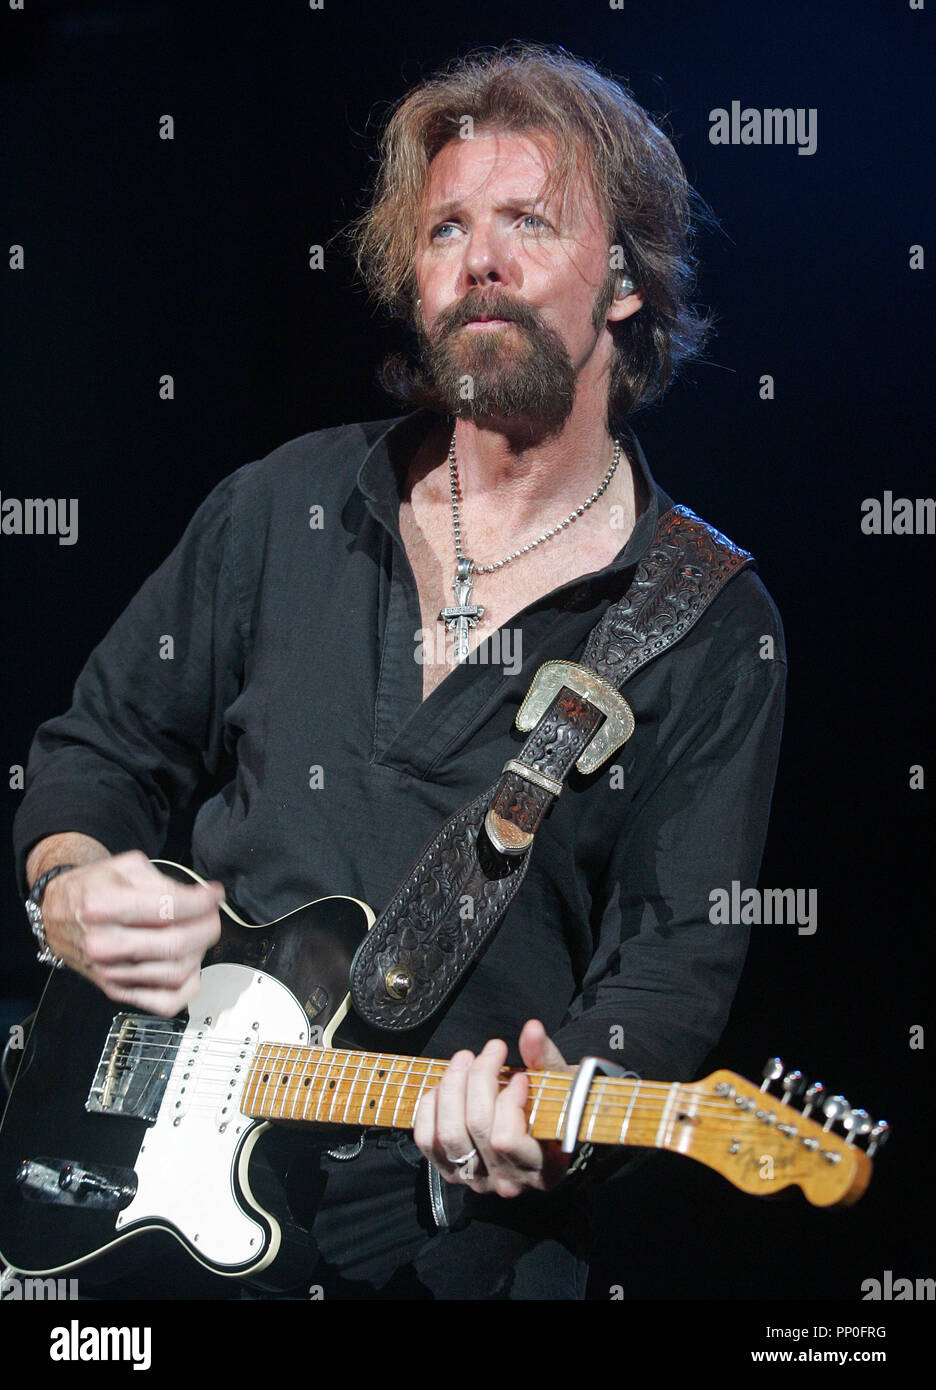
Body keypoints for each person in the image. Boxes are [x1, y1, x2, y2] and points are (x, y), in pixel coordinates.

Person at [12, 43, 786, 1299]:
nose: (478, 259)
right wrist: (71, 885)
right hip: (143, 1187)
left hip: (454, 1246)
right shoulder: (284, 504)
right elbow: (96, 751)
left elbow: (673, 965)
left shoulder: (707, 623)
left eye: (527, 221)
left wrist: (554, 1113)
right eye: (445, 230)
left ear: (628, 285)